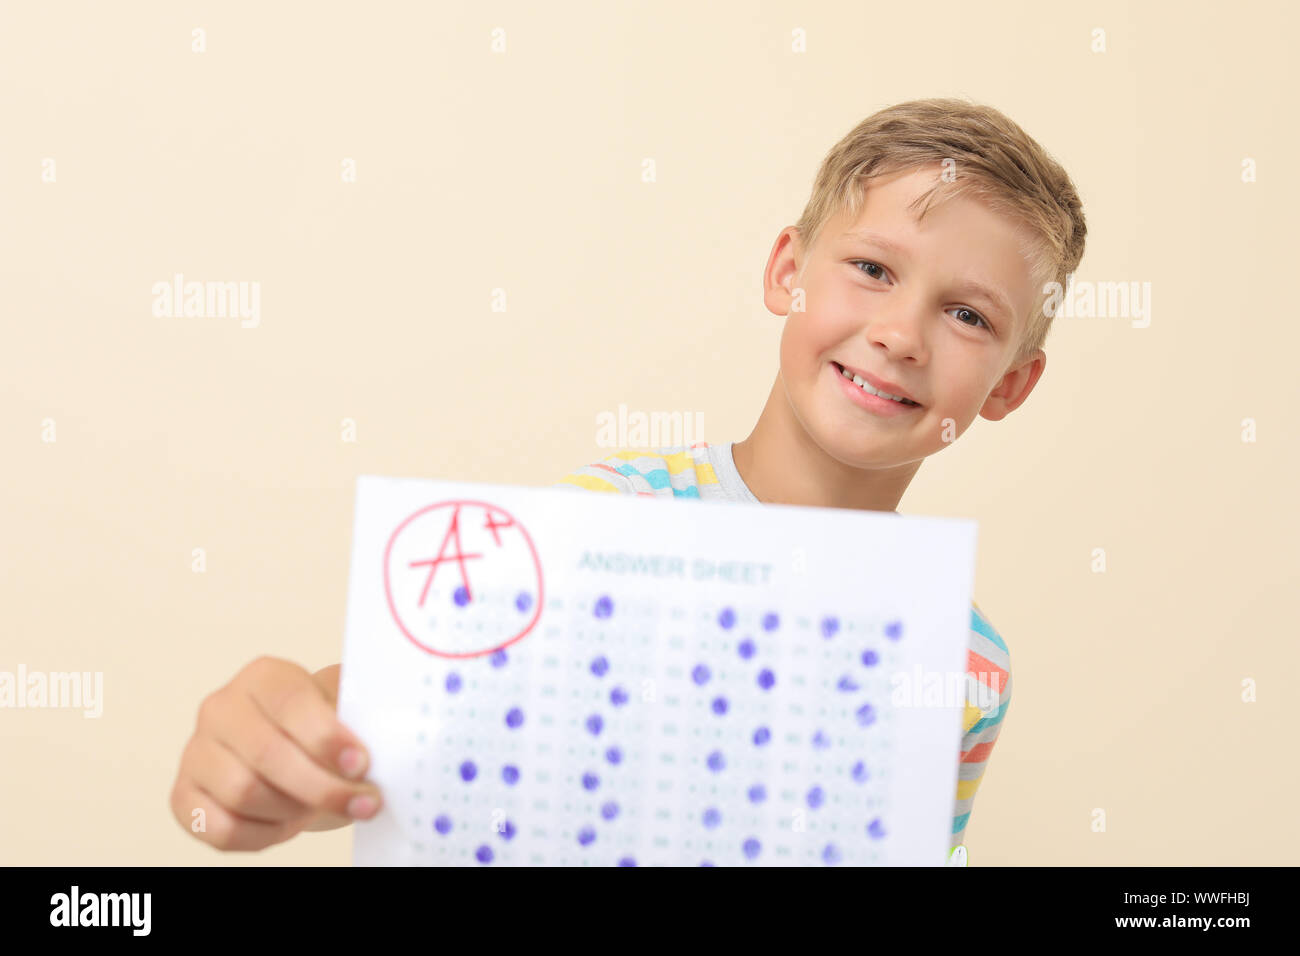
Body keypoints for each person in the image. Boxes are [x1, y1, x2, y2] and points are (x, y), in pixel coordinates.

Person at [169, 97, 1087, 857]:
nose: (900, 334)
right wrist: (285, 733)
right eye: (873, 268)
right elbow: (409, 714)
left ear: (1010, 384)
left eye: (967, 314)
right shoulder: (608, 518)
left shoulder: (969, 664)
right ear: (787, 271)